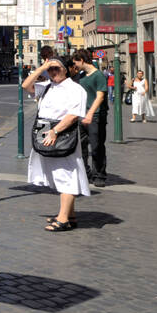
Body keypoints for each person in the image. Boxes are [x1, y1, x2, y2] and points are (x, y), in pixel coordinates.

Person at [24, 57, 89, 230]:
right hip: (46, 130)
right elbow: (26, 86)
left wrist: (56, 131)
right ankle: (70, 215)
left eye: (56, 68)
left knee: (65, 173)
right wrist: (41, 68)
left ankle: (63, 219)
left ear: (66, 69)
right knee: (57, 173)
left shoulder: (76, 89)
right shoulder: (46, 86)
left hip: (62, 133)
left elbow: (74, 115)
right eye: (50, 69)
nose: (53, 72)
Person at [70, 49, 109, 185]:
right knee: (81, 147)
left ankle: (99, 175)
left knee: (97, 146)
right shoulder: (81, 76)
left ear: (81, 60)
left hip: (96, 116)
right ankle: (85, 173)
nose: (75, 66)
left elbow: (100, 97)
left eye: (76, 63)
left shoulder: (98, 75)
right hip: (81, 116)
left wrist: (91, 113)